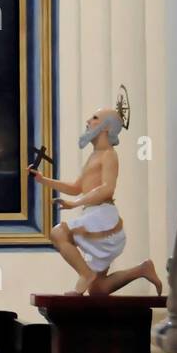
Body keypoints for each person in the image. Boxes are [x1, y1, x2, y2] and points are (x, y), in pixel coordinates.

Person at [30, 107, 163, 296]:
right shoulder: (94, 155)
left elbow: (107, 188)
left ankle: (85, 274)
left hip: (103, 216)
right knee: (98, 290)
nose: (88, 121)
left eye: (94, 118)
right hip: (93, 215)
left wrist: (74, 203)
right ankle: (141, 270)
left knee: (58, 233)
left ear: (106, 127)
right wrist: (43, 180)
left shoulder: (109, 154)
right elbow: (77, 186)